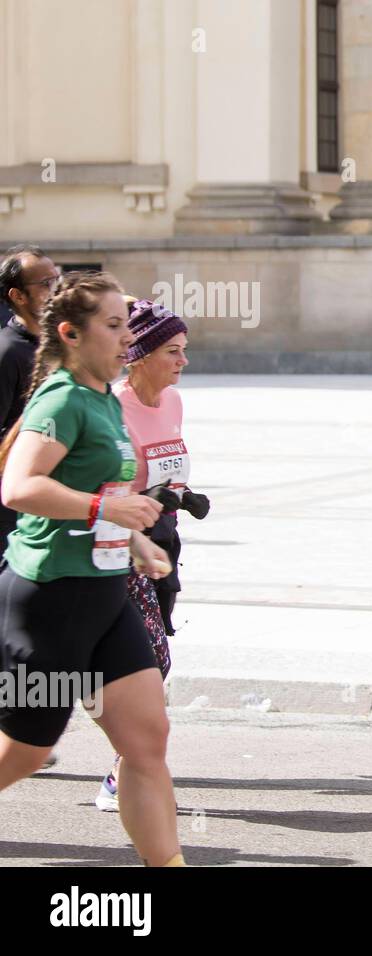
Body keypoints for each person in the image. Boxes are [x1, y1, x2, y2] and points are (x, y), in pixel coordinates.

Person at [0, 272, 184, 866]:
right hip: (49, 597)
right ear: (70, 334)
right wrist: (108, 508)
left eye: (126, 324)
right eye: (113, 326)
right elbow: (18, 486)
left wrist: (134, 540)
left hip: (105, 594)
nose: (126, 337)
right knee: (23, 754)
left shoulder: (105, 396)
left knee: (146, 743)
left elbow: (99, 486)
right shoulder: (60, 398)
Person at [96, 297, 201, 812]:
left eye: (185, 350)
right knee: (151, 659)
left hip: (162, 542)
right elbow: (104, 485)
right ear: (138, 355)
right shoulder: (113, 406)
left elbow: (168, 463)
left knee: (147, 657)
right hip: (118, 548)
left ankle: (127, 766)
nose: (183, 361)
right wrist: (141, 507)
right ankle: (125, 770)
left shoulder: (174, 401)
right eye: (173, 352)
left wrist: (181, 494)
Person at [0, 245, 59, 544]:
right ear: (18, 296)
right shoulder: (8, 352)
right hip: (17, 506)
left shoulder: (61, 343)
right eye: (46, 284)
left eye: (57, 279)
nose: (56, 290)